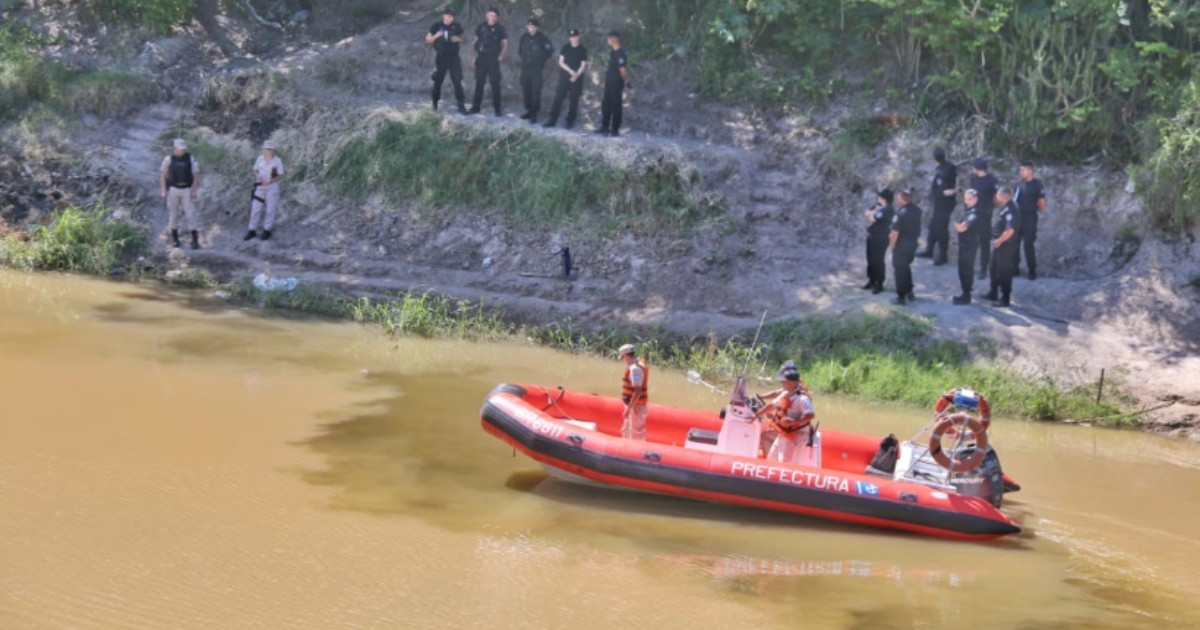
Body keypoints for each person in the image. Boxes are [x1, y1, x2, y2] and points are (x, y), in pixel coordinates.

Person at [755, 361, 816, 465]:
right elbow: (772, 406)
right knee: (771, 459)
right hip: (784, 434)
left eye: (783, 382)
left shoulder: (802, 398)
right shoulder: (786, 392)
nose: (781, 384)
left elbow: (810, 415)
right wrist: (755, 415)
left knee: (785, 465)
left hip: (795, 436)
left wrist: (793, 422)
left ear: (791, 383)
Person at [542, 28, 588, 129]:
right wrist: (570, 71)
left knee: (574, 100)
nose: (573, 39)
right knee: (558, 98)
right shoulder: (566, 47)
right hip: (565, 77)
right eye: (571, 37)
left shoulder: (582, 49)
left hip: (577, 78)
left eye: (575, 36)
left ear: (578, 37)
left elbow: (583, 65)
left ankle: (570, 121)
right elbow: (561, 62)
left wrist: (576, 75)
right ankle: (552, 120)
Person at [918, 147, 956, 265]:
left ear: (935, 158)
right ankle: (929, 250)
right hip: (941, 202)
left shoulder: (942, 173)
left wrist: (954, 191)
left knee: (941, 229)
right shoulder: (948, 166)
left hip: (944, 203)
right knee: (933, 225)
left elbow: (944, 191)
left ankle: (943, 255)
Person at [984, 187, 1021, 307]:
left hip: (1006, 244)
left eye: (998, 194)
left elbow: (1010, 230)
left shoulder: (1011, 209)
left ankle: (1005, 298)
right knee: (993, 268)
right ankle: (993, 293)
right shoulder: (1005, 207)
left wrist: (999, 240)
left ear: (1004, 195)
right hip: (1000, 243)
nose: (996, 196)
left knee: (1004, 271)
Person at [160, 138, 201, 250]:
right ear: (175, 148)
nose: (182, 151)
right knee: (173, 215)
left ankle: (195, 240)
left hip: (186, 189)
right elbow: (163, 175)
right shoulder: (168, 160)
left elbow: (195, 176)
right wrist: (163, 190)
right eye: (180, 149)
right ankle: (175, 239)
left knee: (190, 214)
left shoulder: (190, 159)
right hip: (173, 189)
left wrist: (194, 191)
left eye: (183, 149)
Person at [466, 7, 508, 116]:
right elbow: (474, 43)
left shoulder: (500, 28)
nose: (492, 18)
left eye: (494, 16)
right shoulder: (481, 27)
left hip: (494, 59)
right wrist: (474, 57)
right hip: (481, 58)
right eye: (490, 15)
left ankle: (497, 109)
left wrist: (501, 56)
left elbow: (505, 43)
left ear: (497, 17)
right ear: (486, 15)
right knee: (479, 83)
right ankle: (476, 107)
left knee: (495, 84)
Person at [425, 8, 467, 114]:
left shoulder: (457, 26)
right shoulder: (437, 26)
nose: (450, 18)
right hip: (441, 58)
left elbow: (464, 39)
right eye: (448, 16)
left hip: (454, 58)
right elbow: (428, 40)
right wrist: (436, 36)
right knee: (438, 81)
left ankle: (461, 105)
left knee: (457, 81)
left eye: (452, 17)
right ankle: (434, 103)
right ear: (443, 16)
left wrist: (456, 39)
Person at [1013, 161, 1047, 280]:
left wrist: (1032, 210)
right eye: (1020, 170)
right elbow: (1014, 201)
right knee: (1014, 242)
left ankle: (1031, 270)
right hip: (1017, 217)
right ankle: (1015, 268)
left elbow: (1042, 204)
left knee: (1028, 244)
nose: (1020, 172)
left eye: (1022, 170)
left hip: (1030, 218)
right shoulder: (1018, 185)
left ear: (1030, 171)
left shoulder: (1037, 185)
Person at [245, 140, 284, 241]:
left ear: (273, 150)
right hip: (260, 186)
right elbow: (255, 170)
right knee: (255, 209)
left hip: (272, 187)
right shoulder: (260, 159)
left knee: (270, 210)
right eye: (267, 149)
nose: (269, 151)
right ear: (264, 149)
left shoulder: (277, 161)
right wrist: (259, 177)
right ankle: (252, 230)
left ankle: (267, 231)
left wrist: (270, 180)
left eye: (270, 149)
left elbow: (280, 175)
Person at [951, 189, 985, 305]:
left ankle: (966, 295)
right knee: (962, 269)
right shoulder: (968, 210)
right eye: (965, 199)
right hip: (965, 243)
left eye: (969, 199)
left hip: (970, 244)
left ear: (975, 199)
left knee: (966, 269)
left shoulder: (975, 212)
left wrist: (957, 224)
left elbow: (961, 228)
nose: (967, 201)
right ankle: (965, 293)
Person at [517, 18, 554, 123]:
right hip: (525, 69)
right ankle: (529, 110)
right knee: (526, 90)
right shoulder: (524, 37)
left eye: (533, 27)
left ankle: (534, 114)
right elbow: (520, 51)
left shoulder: (542, 38)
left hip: (537, 70)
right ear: (527, 27)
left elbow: (550, 50)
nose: (531, 29)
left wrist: (541, 60)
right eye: (529, 27)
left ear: (536, 27)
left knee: (535, 91)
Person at [890, 187, 922, 305]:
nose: (897, 199)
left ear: (902, 198)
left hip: (901, 244)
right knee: (906, 268)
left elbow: (894, 233)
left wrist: (893, 245)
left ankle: (901, 297)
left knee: (899, 270)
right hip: (913, 243)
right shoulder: (917, 210)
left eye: (898, 197)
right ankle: (909, 291)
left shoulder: (900, 213)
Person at [969, 158, 998, 280]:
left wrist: (991, 206)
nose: (972, 169)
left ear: (978, 168)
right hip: (974, 212)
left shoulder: (991, 181)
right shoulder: (974, 179)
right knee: (971, 240)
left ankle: (983, 268)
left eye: (974, 167)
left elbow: (997, 197)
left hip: (985, 214)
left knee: (984, 242)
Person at [595, 31, 629, 137]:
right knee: (606, 105)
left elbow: (622, 69)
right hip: (609, 83)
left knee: (616, 106)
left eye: (609, 39)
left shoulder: (620, 53)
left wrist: (626, 80)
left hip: (616, 83)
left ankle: (615, 130)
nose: (607, 41)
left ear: (614, 40)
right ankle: (604, 127)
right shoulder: (613, 52)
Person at [862, 188, 894, 295]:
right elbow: (867, 212)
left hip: (880, 238)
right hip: (872, 236)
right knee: (870, 259)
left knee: (878, 261)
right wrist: (871, 213)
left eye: (880, 197)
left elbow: (873, 218)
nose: (878, 198)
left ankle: (879, 284)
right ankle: (871, 281)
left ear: (884, 199)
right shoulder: (879, 206)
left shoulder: (888, 209)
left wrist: (871, 214)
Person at [618, 343, 649, 440]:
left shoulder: (635, 369)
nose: (623, 360)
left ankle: (636, 452)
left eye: (622, 357)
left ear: (626, 356)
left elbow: (638, 391)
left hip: (636, 407)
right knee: (626, 430)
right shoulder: (637, 364)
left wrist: (629, 408)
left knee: (636, 434)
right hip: (632, 404)